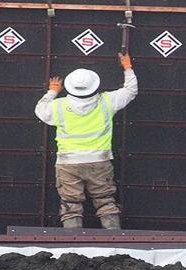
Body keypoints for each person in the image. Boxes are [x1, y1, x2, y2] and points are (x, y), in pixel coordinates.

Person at [35, 53, 137, 229]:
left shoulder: (58, 106)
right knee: (105, 201)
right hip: (99, 161)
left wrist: (52, 91)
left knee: (70, 205)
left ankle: (73, 245)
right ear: (94, 85)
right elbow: (130, 91)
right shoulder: (107, 101)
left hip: (68, 163)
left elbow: (40, 110)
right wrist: (128, 68)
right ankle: (114, 239)